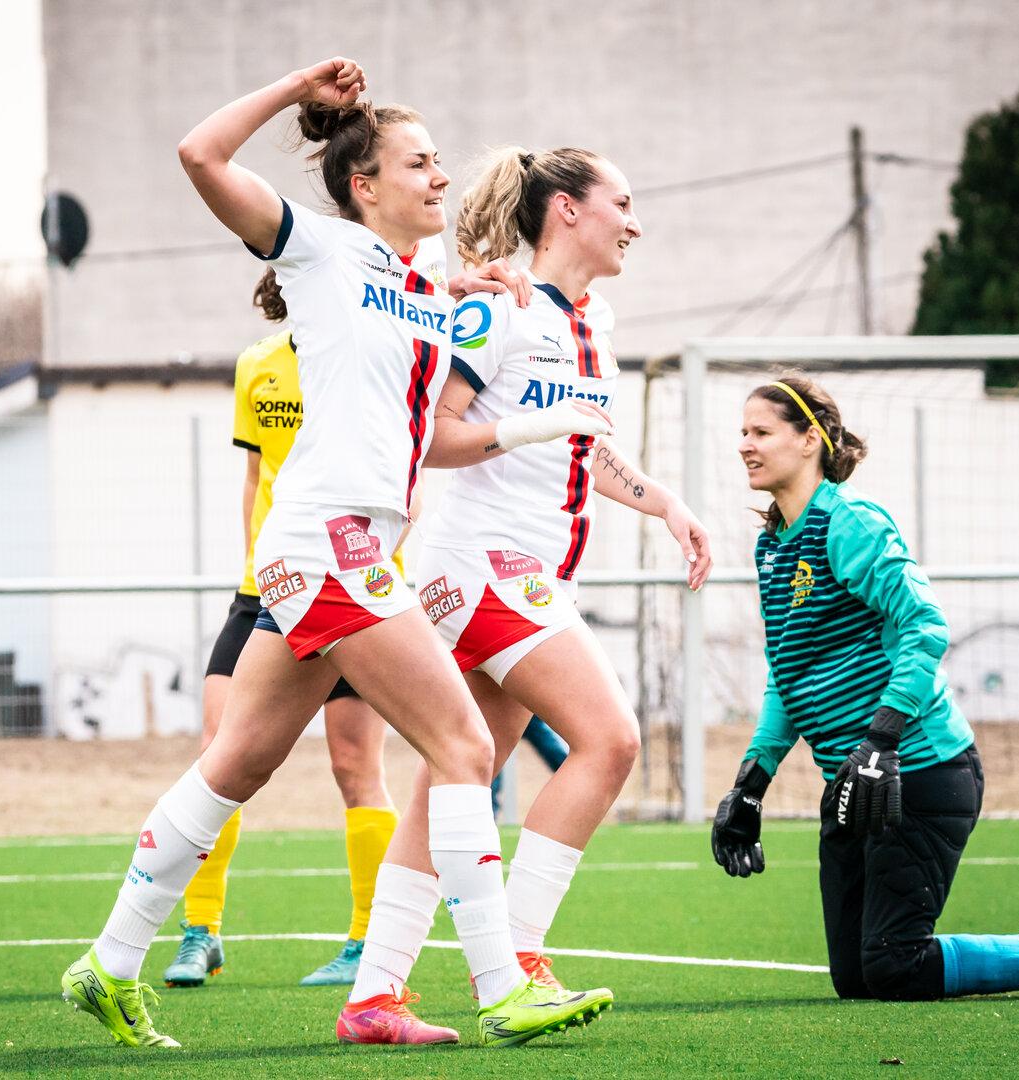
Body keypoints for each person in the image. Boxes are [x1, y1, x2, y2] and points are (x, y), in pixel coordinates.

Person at [60, 58, 615, 1050]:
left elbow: (436, 365)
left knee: (237, 762)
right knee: (463, 746)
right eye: (420, 162)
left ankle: (109, 962)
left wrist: (482, 301)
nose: (441, 178)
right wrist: (295, 89)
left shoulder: (411, 281)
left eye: (442, 162)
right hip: (333, 540)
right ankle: (502, 983)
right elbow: (199, 152)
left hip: (345, 545)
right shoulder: (317, 246)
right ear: (364, 184)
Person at [343, 146, 712, 1020]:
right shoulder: (499, 310)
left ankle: (374, 993)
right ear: (568, 212)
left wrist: (663, 503)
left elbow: (584, 440)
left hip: (525, 572)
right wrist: (531, 425)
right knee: (610, 739)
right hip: (485, 566)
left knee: (458, 775)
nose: (635, 220)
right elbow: (431, 435)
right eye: (622, 200)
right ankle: (517, 953)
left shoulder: (596, 323)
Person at [709, 375, 1019, 1002]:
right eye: (742, 432)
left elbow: (925, 626)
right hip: (856, 784)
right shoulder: (772, 547)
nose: (745, 444)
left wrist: (883, 738)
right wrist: (750, 785)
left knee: (895, 967)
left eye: (761, 432)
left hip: (922, 771)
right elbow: (788, 676)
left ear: (810, 441)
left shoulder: (848, 521)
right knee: (858, 978)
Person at [159, 270, 399, 992]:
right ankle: (200, 930)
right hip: (262, 590)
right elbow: (255, 475)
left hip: (351, 586)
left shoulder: (369, 359)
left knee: (355, 767)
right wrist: (254, 567)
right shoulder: (258, 365)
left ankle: (367, 939)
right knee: (217, 750)